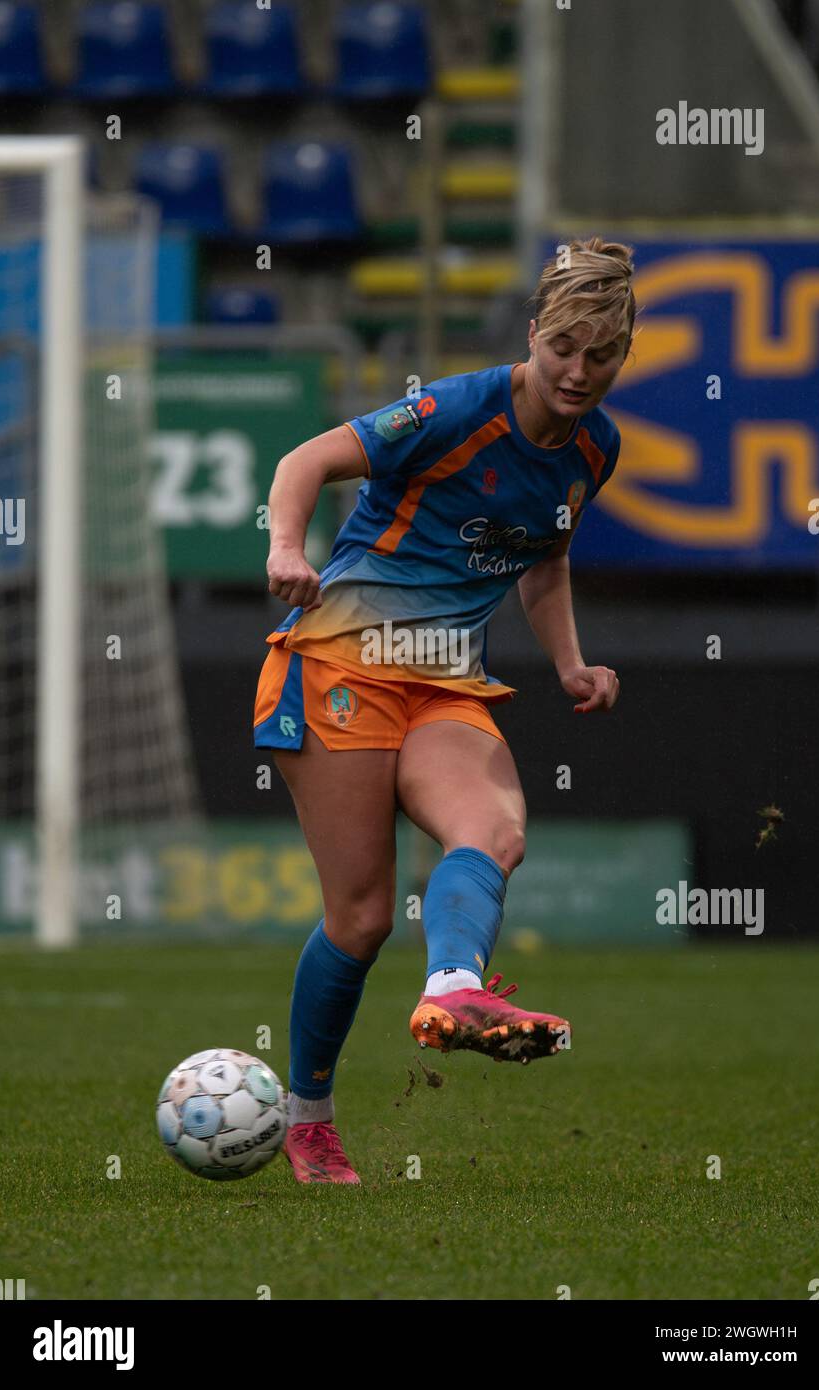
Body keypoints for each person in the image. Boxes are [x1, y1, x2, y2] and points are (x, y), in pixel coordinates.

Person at [254, 237, 634, 1183]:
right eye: (564, 349)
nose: (580, 373)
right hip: (341, 654)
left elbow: (544, 559)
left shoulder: (597, 448)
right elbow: (307, 458)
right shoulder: (457, 406)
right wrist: (288, 548)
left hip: (444, 676)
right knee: (363, 916)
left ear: (623, 353)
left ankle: (456, 990)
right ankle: (309, 1120)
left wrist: (571, 662)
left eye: (602, 355)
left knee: (493, 830)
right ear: (535, 333)